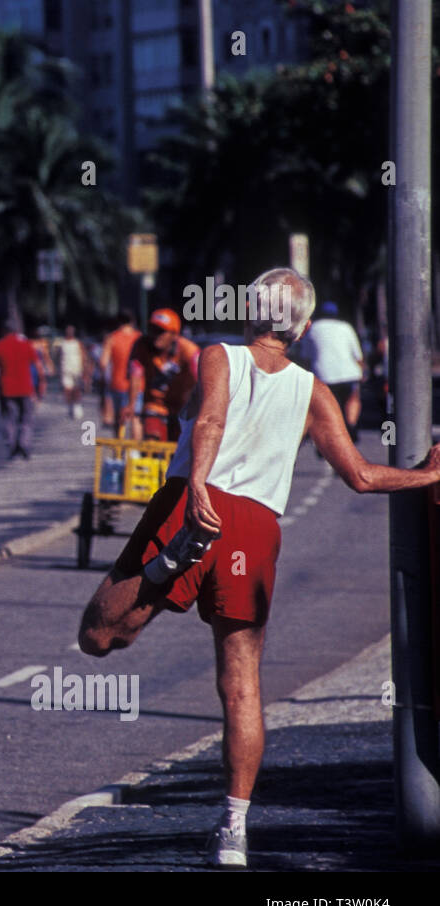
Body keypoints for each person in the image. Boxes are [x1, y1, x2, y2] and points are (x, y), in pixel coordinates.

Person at [78, 267, 440, 869]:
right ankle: (234, 832)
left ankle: (167, 567)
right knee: (242, 683)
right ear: (299, 328)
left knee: (99, 636)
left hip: (195, 505)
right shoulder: (314, 392)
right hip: (257, 526)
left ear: (252, 311)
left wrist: (195, 484)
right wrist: (428, 475)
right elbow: (360, 476)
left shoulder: (220, 356)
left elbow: (213, 418)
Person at [122, 308, 200, 443]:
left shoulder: (190, 351)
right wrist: (131, 404)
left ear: (174, 334)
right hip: (155, 404)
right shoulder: (142, 345)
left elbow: (201, 382)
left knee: (179, 448)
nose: (156, 335)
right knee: (152, 439)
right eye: (153, 329)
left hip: (183, 407)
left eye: (161, 331)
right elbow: (135, 374)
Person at [298, 302, 364, 442]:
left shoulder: (312, 329)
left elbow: (306, 358)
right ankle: (351, 424)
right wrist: (363, 371)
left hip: (324, 374)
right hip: (349, 372)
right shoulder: (346, 327)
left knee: (328, 405)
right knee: (352, 398)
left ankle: (332, 432)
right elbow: (357, 355)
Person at [0, 319, 40, 461]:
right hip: (26, 388)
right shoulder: (26, 344)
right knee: (27, 418)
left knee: (10, 418)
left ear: (4, 331)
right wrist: (40, 385)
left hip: (7, 389)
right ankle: (24, 443)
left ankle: (12, 446)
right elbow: (37, 365)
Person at [101, 310, 140, 430]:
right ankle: (135, 449)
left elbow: (103, 362)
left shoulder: (111, 338)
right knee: (136, 417)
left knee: (119, 418)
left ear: (118, 322)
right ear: (132, 321)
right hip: (138, 384)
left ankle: (119, 447)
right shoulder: (139, 337)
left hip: (118, 383)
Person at [54, 325, 89, 420]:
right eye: (68, 331)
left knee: (77, 389)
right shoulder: (62, 344)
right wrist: (57, 369)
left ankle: (77, 406)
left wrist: (85, 370)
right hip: (65, 370)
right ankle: (70, 406)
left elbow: (83, 356)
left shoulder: (77, 343)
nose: (69, 333)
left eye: (71, 331)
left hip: (77, 370)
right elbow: (58, 357)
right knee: (67, 390)